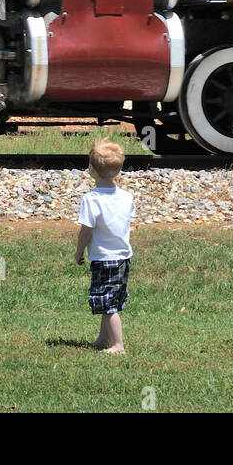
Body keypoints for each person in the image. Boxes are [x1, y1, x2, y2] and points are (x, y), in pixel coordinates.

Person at [74, 138, 135, 353]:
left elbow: (86, 230)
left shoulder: (91, 199)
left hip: (103, 258)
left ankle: (118, 345)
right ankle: (103, 339)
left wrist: (79, 251)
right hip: (123, 257)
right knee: (110, 300)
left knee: (107, 304)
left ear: (91, 170)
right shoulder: (127, 197)